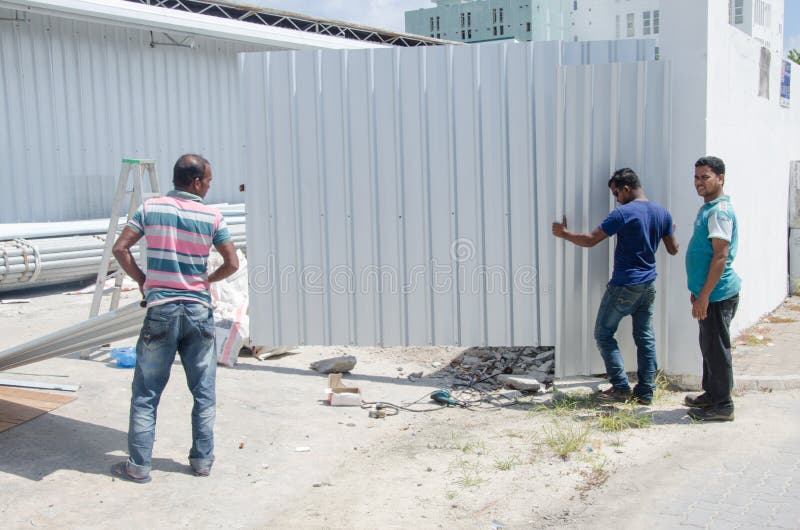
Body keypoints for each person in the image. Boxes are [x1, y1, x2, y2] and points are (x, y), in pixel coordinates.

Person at [110, 154, 239, 483]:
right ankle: (201, 461)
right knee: (204, 391)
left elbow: (120, 248)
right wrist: (206, 282)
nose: (209, 187)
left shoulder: (150, 209)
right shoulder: (213, 217)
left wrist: (143, 280)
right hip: (197, 312)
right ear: (195, 182)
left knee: (146, 393)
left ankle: (138, 466)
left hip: (161, 311)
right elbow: (233, 263)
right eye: (208, 181)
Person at [552, 168, 678, 405]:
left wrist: (564, 233)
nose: (615, 199)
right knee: (645, 337)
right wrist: (670, 229)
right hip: (648, 284)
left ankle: (620, 387)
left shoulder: (622, 213)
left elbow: (590, 240)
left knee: (603, 333)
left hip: (625, 285)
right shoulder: (663, 213)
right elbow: (673, 249)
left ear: (626, 189)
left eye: (615, 193)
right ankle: (646, 392)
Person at [684, 156, 740, 422]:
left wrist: (704, 295)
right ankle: (711, 394)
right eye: (696, 177)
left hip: (717, 294)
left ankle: (723, 405)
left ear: (720, 178)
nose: (699, 182)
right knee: (708, 345)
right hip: (707, 292)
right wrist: (697, 290)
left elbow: (720, 256)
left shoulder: (719, 211)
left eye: (705, 177)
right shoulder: (708, 208)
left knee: (717, 348)